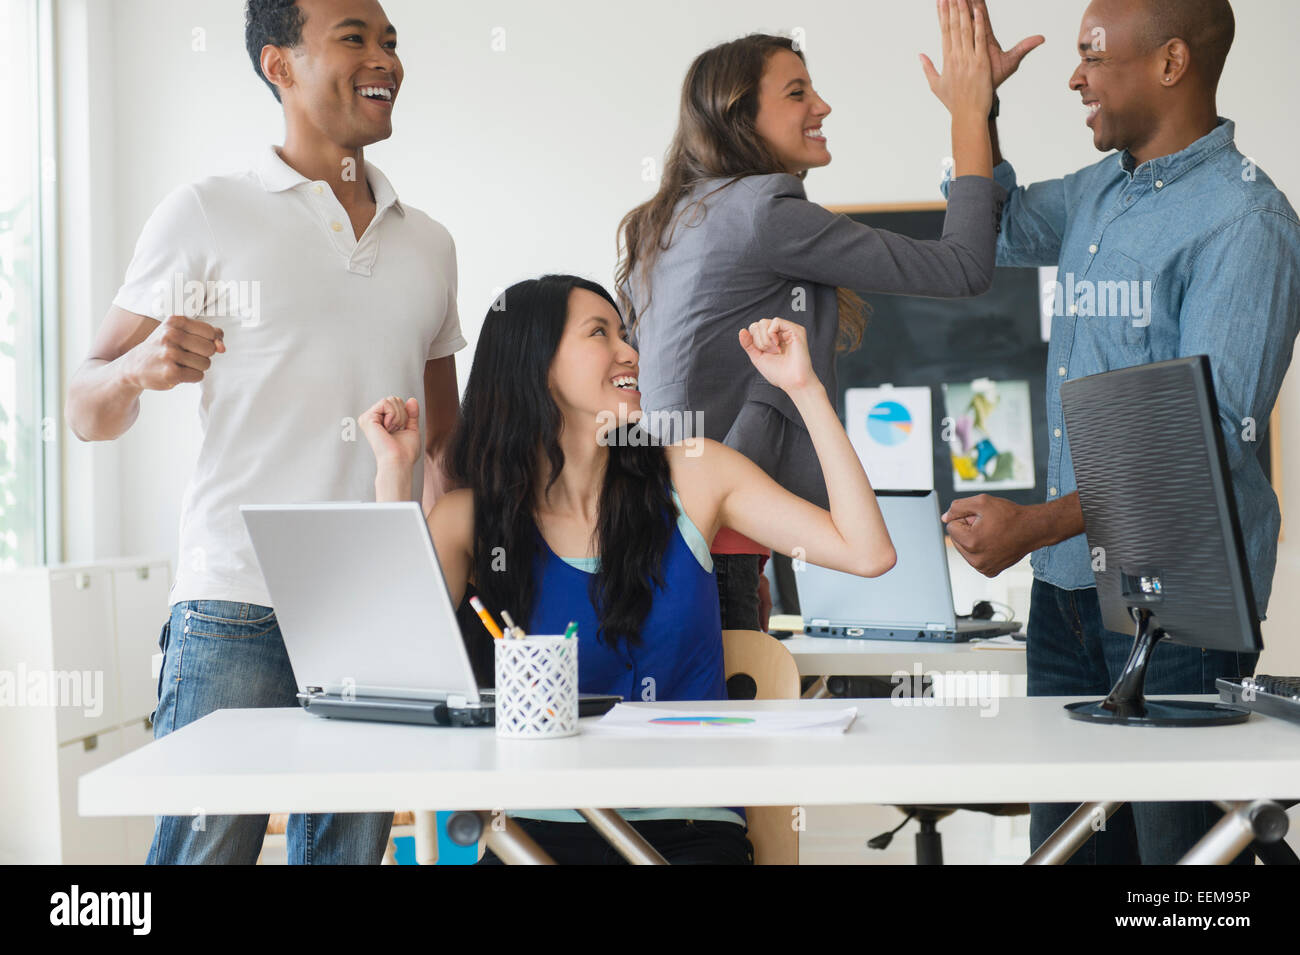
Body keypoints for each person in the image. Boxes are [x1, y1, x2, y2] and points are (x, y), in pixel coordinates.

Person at [63, 0, 466, 864]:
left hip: (371, 608)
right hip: (235, 597)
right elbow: (84, 408)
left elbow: (445, 448)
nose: (383, 59)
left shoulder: (429, 243)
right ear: (278, 65)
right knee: (205, 855)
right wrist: (139, 369)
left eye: (390, 40)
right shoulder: (206, 211)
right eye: (353, 37)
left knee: (347, 859)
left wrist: (441, 599)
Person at [359, 274, 896, 864]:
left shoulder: (694, 474)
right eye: (599, 333)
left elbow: (866, 552)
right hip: (532, 831)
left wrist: (805, 389)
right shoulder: (473, 518)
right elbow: (395, 664)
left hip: (686, 828)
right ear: (535, 365)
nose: (630, 352)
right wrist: (395, 475)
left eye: (625, 333)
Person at [941, 0, 1300, 864]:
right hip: (1067, 592)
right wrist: (973, 110)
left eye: (1092, 57)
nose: (1073, 77)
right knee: (1067, 849)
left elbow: (1202, 442)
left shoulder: (1247, 224)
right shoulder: (1103, 190)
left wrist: (1032, 524)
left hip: (1179, 609)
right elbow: (991, 222)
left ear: (1172, 63)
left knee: (1179, 879)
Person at [616, 0, 1005, 631]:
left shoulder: (668, 220)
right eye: (798, 93)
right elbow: (962, 267)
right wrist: (970, 110)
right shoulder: (765, 211)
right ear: (740, 118)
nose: (821, 107)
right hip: (723, 545)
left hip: (675, 533)